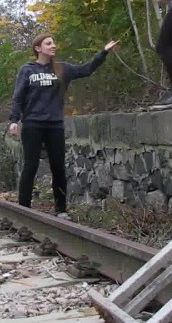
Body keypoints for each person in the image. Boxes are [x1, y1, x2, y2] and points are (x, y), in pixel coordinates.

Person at [8, 34, 120, 219]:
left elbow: (86, 69)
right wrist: (13, 120)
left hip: (55, 125)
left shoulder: (62, 69)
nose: (53, 46)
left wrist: (103, 52)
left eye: (53, 42)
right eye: (48, 43)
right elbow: (18, 97)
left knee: (58, 167)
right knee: (30, 166)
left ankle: (61, 210)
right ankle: (24, 209)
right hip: (32, 124)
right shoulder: (27, 70)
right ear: (38, 48)